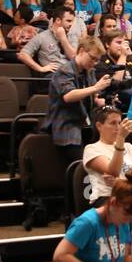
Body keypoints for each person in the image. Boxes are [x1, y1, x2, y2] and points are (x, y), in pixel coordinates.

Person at [44, 36, 112, 168]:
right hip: (66, 124)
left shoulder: (89, 71)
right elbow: (68, 96)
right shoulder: (64, 71)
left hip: (85, 124)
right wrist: (96, 87)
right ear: (81, 51)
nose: (94, 62)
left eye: (97, 60)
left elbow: (90, 94)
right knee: (83, 166)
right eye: (92, 58)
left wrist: (97, 100)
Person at [83, 106, 132, 207]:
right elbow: (113, 172)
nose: (118, 127)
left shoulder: (129, 147)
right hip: (107, 198)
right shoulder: (91, 149)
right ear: (99, 126)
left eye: (119, 122)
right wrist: (121, 138)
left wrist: (121, 183)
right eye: (113, 123)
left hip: (131, 194)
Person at [95, 32, 132, 111]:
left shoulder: (129, 61)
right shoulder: (100, 62)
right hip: (108, 105)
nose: (122, 46)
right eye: (118, 43)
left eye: (124, 43)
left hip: (130, 106)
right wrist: (123, 55)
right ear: (107, 45)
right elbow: (113, 85)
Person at [19, 6, 81, 73]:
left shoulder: (72, 36)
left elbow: (73, 57)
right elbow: (22, 54)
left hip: (71, 73)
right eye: (68, 21)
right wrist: (40, 68)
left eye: (72, 21)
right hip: (52, 74)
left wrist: (63, 39)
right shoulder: (42, 37)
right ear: (58, 20)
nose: (71, 24)